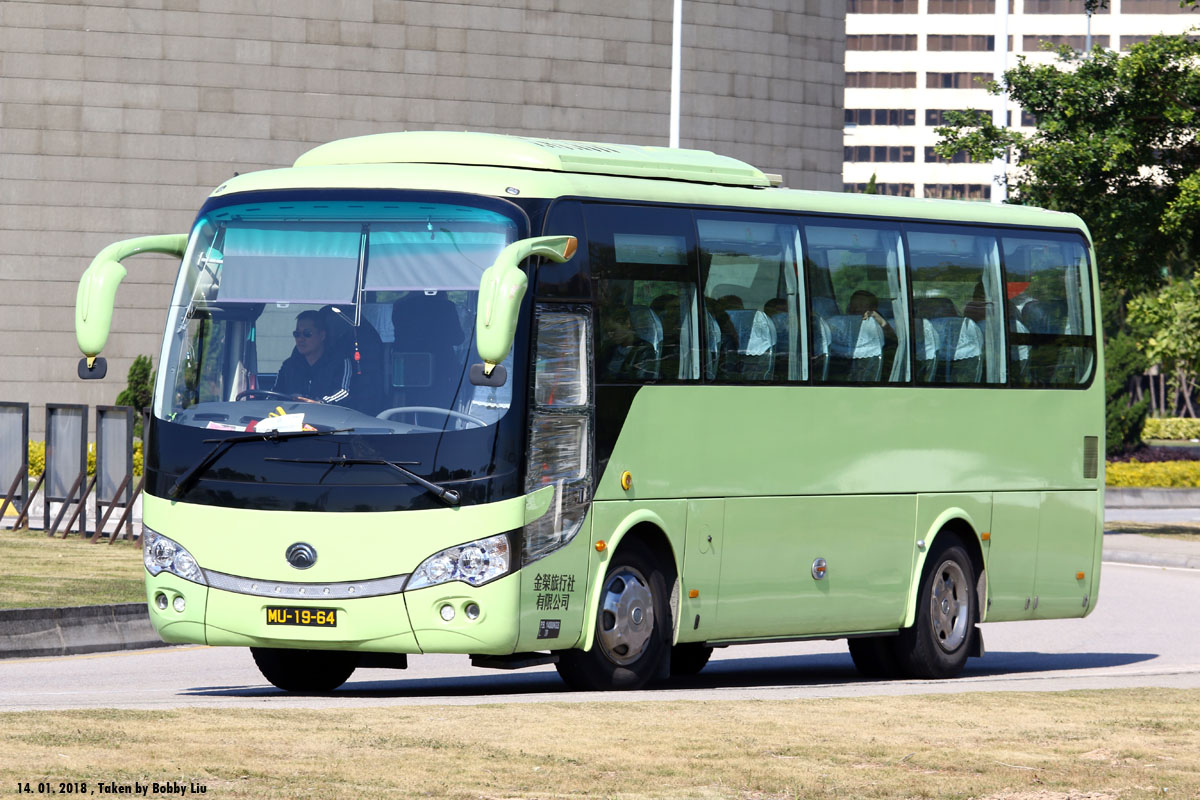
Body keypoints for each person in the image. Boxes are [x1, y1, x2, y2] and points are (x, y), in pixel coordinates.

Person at [273, 310, 354, 404]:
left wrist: (320, 403)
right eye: (297, 334)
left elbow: (344, 392)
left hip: (328, 417)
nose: (300, 339)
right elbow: (274, 396)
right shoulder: (288, 366)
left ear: (322, 335)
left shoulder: (340, 363)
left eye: (307, 334)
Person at [597, 304, 657, 381]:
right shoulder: (608, 348)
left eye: (613, 330)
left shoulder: (644, 350)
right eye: (606, 332)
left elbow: (642, 380)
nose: (610, 335)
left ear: (627, 323)